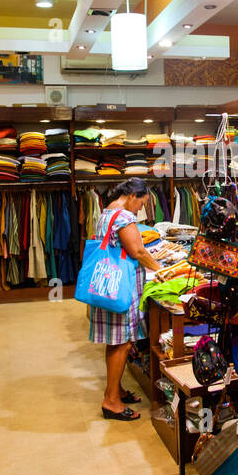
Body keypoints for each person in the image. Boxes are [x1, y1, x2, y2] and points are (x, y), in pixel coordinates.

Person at [88, 178, 163, 421]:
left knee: (115, 341)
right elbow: (138, 251)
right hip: (121, 288)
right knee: (122, 343)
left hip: (109, 284)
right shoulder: (123, 217)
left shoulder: (107, 211)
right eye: (141, 202)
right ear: (132, 196)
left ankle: (115, 389)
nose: (140, 209)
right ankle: (111, 402)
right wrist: (160, 270)